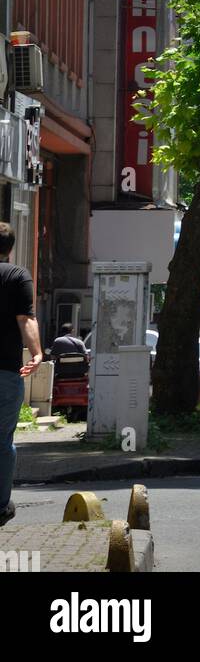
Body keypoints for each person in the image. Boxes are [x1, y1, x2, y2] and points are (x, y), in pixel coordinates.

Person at [0, 222, 42, 527]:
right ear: (10, 248)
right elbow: (25, 318)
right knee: (2, 441)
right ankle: (1, 505)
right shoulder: (16, 276)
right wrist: (37, 353)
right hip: (4, 371)